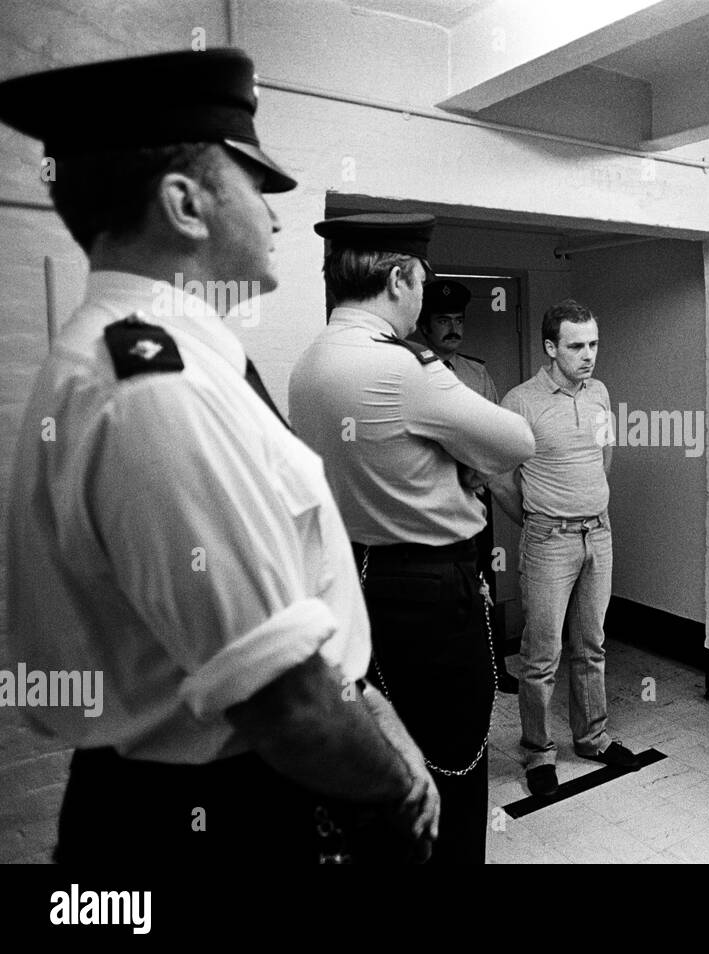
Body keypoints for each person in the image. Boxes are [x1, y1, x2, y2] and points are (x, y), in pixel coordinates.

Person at [1, 49, 438, 864]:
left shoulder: (176, 361)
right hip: (212, 815)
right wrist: (397, 793)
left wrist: (372, 709)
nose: (275, 217)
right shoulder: (156, 391)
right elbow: (287, 704)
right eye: (255, 185)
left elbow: (295, 617)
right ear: (185, 203)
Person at [289, 213, 534, 863]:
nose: (424, 299)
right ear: (400, 277)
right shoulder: (405, 368)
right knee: (455, 758)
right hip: (430, 591)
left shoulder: (310, 361)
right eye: (422, 281)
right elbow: (518, 442)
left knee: (392, 753)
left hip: (356, 575)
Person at [491, 299, 639, 798]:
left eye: (594, 344)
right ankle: (538, 753)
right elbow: (499, 477)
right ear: (551, 347)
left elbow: (604, 456)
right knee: (541, 654)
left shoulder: (599, 392)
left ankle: (592, 738)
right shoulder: (521, 401)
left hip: (599, 532)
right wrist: (539, 517)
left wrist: (590, 505)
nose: (588, 354)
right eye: (577, 345)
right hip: (548, 539)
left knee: (592, 644)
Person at [408, 278, 519, 694]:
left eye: (458, 319)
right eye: (443, 320)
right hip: (433, 501)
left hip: (476, 498)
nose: (453, 328)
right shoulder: (413, 370)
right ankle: (451, 670)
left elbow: (493, 434)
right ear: (424, 325)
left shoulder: (476, 373)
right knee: (442, 584)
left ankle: (493, 666)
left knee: (484, 578)